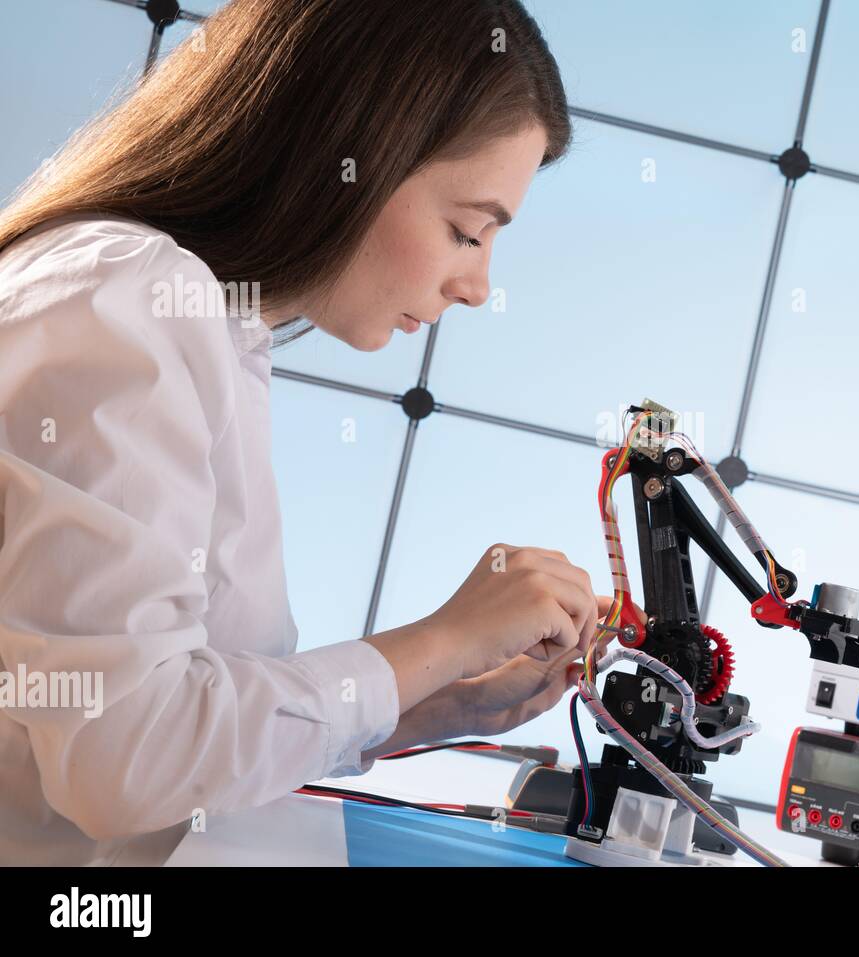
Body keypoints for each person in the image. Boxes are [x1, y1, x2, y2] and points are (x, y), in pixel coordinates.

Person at [0, 0, 613, 866]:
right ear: (351, 156)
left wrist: (435, 700)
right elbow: (120, 759)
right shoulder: (124, 297)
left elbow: (180, 721)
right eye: (467, 230)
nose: (477, 285)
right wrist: (439, 639)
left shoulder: (210, 326)